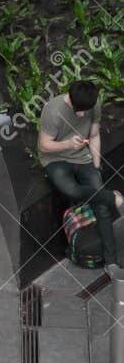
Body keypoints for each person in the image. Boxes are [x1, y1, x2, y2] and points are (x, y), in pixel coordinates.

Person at [39, 79, 122, 268]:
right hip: (56, 158)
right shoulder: (53, 110)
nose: (83, 114)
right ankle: (112, 197)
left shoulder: (93, 104)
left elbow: (94, 135)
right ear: (70, 99)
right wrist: (68, 144)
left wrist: (96, 164)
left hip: (82, 157)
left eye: (87, 110)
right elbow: (44, 145)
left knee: (100, 204)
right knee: (72, 190)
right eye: (80, 110)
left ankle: (111, 263)